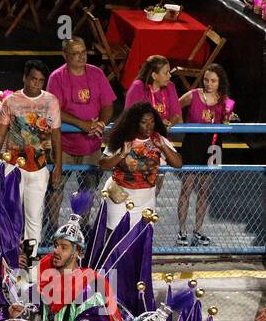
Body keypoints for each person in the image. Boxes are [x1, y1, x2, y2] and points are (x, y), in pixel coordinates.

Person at [0, 60, 62, 265]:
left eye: (40, 81)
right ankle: (9, 256)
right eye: (33, 79)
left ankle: (29, 258)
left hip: (39, 167)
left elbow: (56, 137)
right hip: (13, 167)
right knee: (10, 213)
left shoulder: (52, 102)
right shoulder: (11, 101)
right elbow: (0, 136)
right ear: (25, 78)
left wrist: (58, 167)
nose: (36, 84)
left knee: (34, 216)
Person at [45, 37, 114, 220]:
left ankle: (80, 226)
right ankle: (52, 226)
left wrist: (101, 123)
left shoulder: (97, 73)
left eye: (83, 52)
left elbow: (108, 106)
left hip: (91, 145)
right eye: (75, 53)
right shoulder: (56, 77)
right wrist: (81, 124)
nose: (81, 57)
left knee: (88, 189)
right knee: (56, 186)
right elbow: (55, 109)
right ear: (65, 55)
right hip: (64, 145)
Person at [99, 102, 181, 231]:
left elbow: (178, 164)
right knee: (114, 234)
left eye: (152, 121)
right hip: (120, 195)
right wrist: (122, 154)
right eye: (144, 122)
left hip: (146, 198)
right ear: (135, 123)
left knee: (140, 238)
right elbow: (103, 164)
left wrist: (164, 147)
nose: (149, 126)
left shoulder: (158, 139)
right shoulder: (122, 138)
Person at [177, 64, 234, 246]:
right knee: (186, 188)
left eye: (214, 81)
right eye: (207, 80)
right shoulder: (193, 95)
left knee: (204, 191)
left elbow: (227, 127)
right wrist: (179, 123)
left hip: (214, 147)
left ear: (220, 82)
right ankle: (182, 231)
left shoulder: (225, 101)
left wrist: (229, 121)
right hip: (192, 145)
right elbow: (174, 108)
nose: (209, 84)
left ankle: (198, 231)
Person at [125, 55, 182, 130]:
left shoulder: (170, 86)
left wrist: (164, 128)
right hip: (139, 133)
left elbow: (176, 115)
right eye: (166, 73)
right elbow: (131, 116)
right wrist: (158, 124)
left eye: (169, 72)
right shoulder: (138, 87)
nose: (170, 76)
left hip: (164, 134)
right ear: (154, 75)